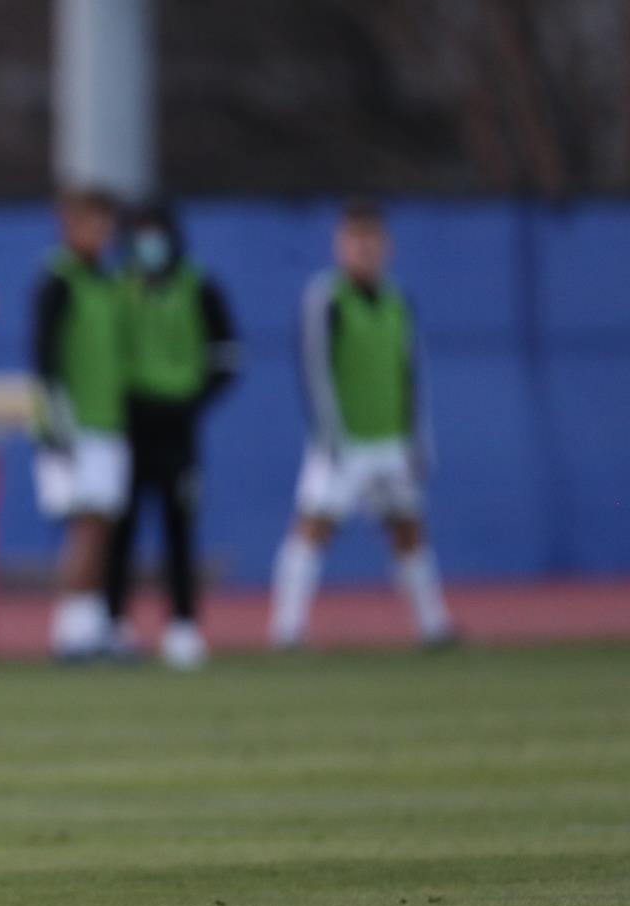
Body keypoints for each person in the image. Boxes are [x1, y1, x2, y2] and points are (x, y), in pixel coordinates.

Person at [269, 200, 455, 649]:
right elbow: (314, 368)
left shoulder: (397, 301)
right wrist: (329, 433)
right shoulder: (326, 298)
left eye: (372, 241)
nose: (364, 251)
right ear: (340, 246)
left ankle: (432, 625)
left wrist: (417, 439)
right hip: (343, 442)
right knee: (315, 525)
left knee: (408, 527)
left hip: (391, 439)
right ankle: (287, 628)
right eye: (355, 241)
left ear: (387, 247)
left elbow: (411, 373)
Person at [101, 202, 240, 670]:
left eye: (156, 234)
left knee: (179, 527)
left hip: (179, 427)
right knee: (121, 528)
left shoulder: (199, 287)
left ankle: (183, 625)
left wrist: (192, 400)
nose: (149, 245)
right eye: (140, 234)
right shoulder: (119, 289)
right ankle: (115, 623)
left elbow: (226, 357)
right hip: (129, 425)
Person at [31, 187, 129, 660]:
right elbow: (44, 363)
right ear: (67, 226)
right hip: (75, 428)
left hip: (108, 422)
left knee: (102, 526)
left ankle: (93, 626)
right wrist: (59, 427)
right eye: (89, 222)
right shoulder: (58, 282)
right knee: (85, 528)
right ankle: (69, 632)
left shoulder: (108, 283)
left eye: (105, 224)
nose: (100, 233)